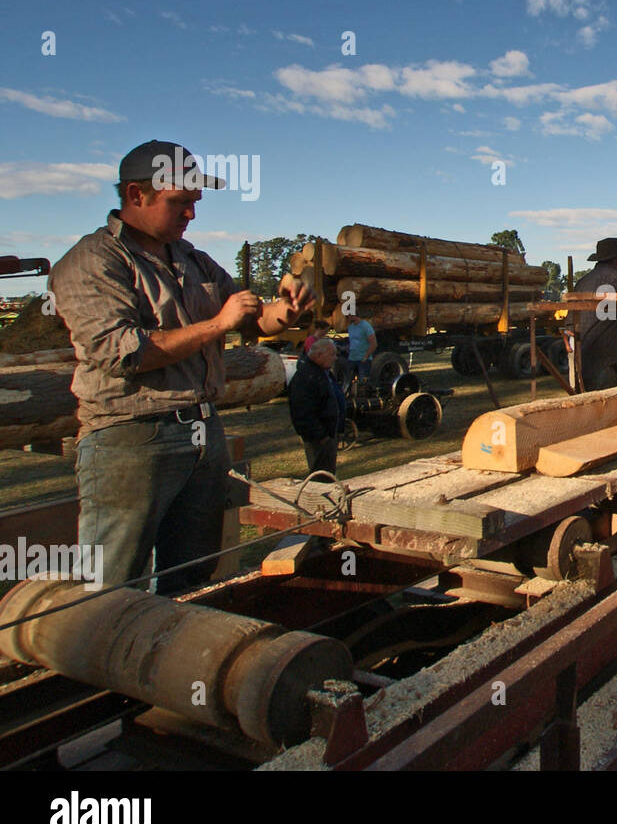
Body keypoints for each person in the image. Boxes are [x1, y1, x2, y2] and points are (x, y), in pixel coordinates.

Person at [49, 140, 313, 594]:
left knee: (192, 580)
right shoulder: (92, 261)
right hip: (130, 438)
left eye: (194, 203)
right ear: (136, 196)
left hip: (202, 433)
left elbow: (253, 317)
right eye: (180, 202)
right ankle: (97, 663)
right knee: (112, 585)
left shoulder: (194, 260)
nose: (191, 214)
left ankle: (172, 660)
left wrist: (284, 313)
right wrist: (217, 323)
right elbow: (123, 352)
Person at [573, 237, 617, 391]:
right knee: (605, 407)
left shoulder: (581, 282)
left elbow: (570, 323)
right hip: (608, 359)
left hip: (582, 358)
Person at [288, 336, 347, 476]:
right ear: (319, 355)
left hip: (329, 435)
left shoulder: (323, 373)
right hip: (319, 439)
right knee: (321, 478)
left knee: (329, 475)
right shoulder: (306, 377)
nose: (335, 358)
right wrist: (321, 437)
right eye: (332, 354)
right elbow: (302, 413)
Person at [340, 313, 376, 389]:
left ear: (353, 315)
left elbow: (373, 344)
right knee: (348, 381)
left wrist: (366, 356)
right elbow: (352, 342)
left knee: (364, 382)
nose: (347, 318)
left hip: (363, 359)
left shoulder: (366, 326)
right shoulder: (350, 327)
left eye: (348, 316)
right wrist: (345, 348)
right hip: (352, 358)